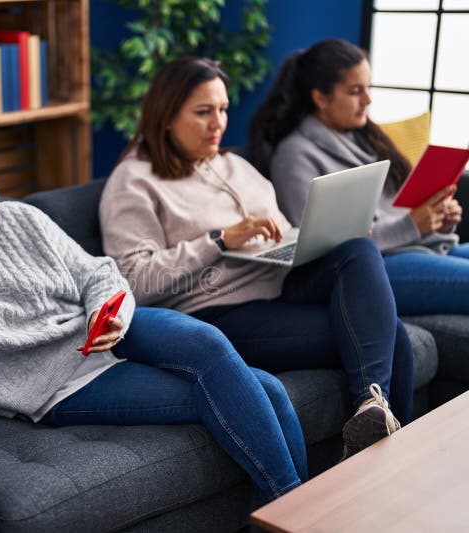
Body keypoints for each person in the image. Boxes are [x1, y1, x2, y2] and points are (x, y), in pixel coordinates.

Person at [0, 134, 308, 502]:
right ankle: (293, 511)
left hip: (103, 333)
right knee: (264, 391)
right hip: (60, 388)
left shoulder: (18, 219)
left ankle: (293, 514)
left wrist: (106, 311)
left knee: (215, 347)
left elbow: (98, 272)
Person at [99, 57, 414, 459]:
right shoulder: (133, 182)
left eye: (223, 109)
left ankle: (373, 411)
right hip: (220, 310)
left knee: (358, 249)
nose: (218, 124)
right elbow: (134, 281)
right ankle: (379, 444)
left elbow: (280, 228)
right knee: (395, 340)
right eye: (203, 112)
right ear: (165, 117)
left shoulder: (234, 165)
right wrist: (220, 239)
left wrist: (321, 236)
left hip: (281, 281)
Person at [249, 38, 469, 317]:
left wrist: (437, 220)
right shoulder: (294, 155)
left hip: (419, 249)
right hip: (376, 268)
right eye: (355, 91)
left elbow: (394, 213)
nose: (368, 100)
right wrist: (412, 226)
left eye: (368, 88)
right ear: (320, 98)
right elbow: (319, 248)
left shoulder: (366, 139)